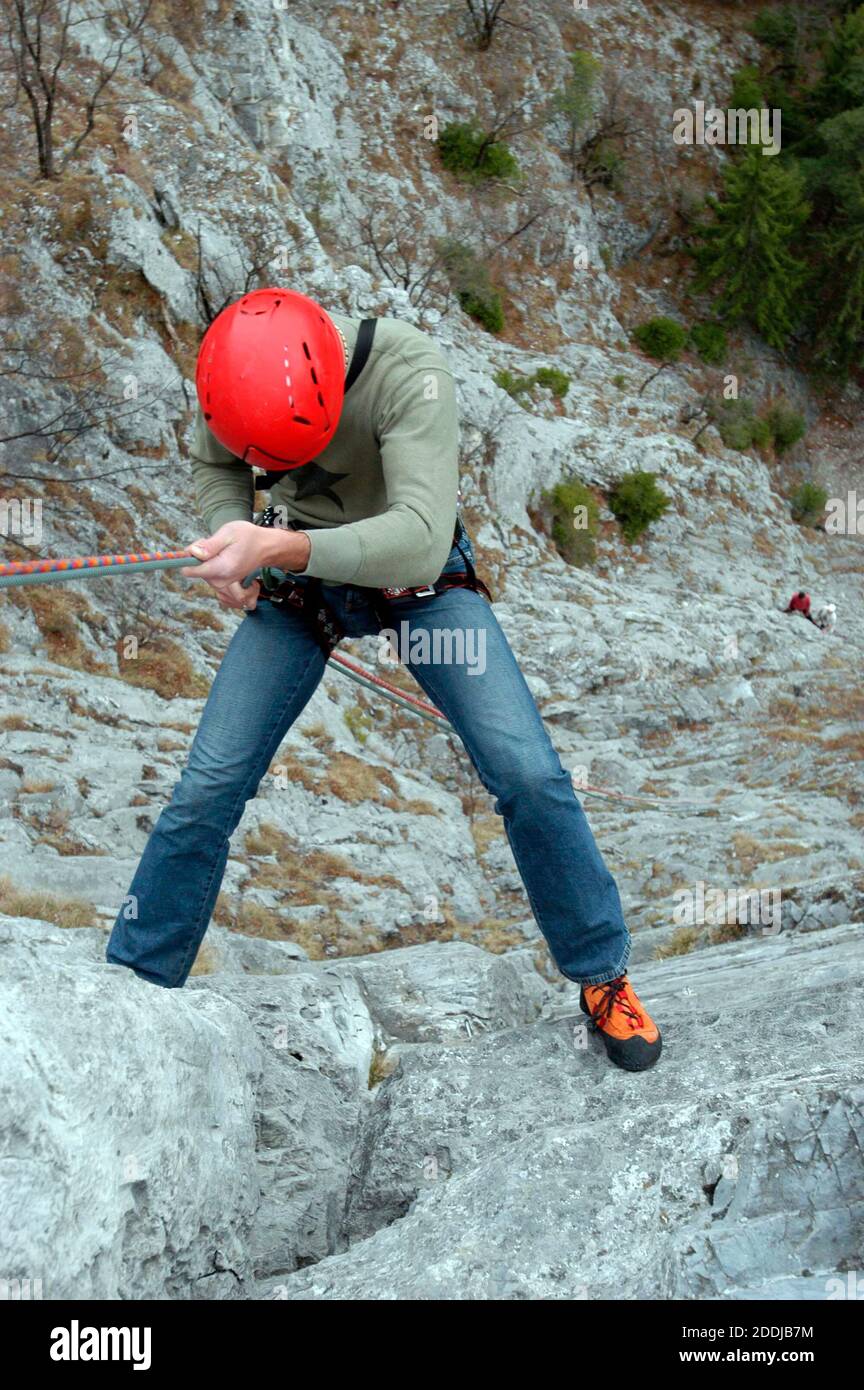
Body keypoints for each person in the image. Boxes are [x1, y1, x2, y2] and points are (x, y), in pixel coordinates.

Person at [105, 287, 661, 1073]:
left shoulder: (410, 375)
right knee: (207, 784)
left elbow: (421, 541)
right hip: (297, 588)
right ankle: (134, 988)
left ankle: (603, 974)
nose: (276, 470)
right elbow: (215, 464)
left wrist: (275, 549)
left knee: (527, 772)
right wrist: (229, 541)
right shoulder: (235, 374)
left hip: (415, 585)